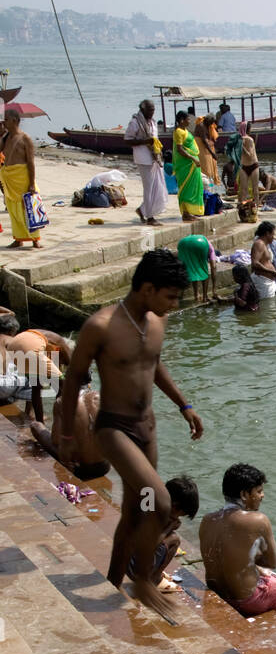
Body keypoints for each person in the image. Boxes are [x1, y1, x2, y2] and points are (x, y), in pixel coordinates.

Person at [56, 249, 201, 625]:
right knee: (161, 501)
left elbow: (154, 365)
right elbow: (73, 378)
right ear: (148, 288)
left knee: (136, 512)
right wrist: (67, 433)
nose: (173, 305)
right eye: (169, 296)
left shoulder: (156, 322)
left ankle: (112, 581)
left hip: (146, 429)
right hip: (114, 429)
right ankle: (142, 580)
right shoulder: (101, 326)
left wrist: (185, 406)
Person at [199, 463, 276, 621]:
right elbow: (272, 562)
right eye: (259, 491)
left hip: (219, 593)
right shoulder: (258, 520)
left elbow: (225, 557)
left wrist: (253, 562)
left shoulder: (207, 519)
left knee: (261, 573)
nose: (262, 495)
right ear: (244, 495)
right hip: (247, 601)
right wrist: (257, 560)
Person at [128, 475, 198, 594]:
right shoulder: (155, 515)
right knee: (174, 540)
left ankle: (154, 574)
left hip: (126, 561)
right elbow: (151, 543)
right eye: (179, 515)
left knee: (168, 536)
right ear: (174, 506)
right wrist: (170, 527)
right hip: (133, 569)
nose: (177, 519)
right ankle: (154, 579)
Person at [30, 383, 110, 482]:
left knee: (35, 426)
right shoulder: (102, 398)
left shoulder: (62, 402)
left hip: (79, 467)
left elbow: (56, 441)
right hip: (104, 467)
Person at [0, 107, 43, 248]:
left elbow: (31, 163)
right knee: (13, 209)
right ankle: (19, 239)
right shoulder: (6, 137)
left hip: (23, 176)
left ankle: (35, 239)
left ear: (15, 121)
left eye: (6, 119)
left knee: (28, 207)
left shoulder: (25, 138)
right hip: (10, 177)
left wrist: (31, 183)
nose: (3, 122)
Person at [123, 100, 166, 227]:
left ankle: (142, 210)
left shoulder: (152, 122)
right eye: (149, 110)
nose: (152, 112)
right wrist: (144, 141)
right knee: (148, 189)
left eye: (153, 110)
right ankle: (150, 217)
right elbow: (127, 140)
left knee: (158, 187)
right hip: (143, 159)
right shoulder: (135, 122)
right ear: (142, 109)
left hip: (155, 158)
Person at [171, 111, 205, 219]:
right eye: (188, 119)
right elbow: (179, 149)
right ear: (182, 120)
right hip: (186, 165)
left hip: (192, 164)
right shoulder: (178, 132)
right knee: (186, 188)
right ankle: (186, 213)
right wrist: (193, 158)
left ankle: (190, 211)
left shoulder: (185, 131)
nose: (189, 121)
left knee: (195, 187)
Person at [176, 234, 218, 304]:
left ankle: (196, 295)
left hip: (182, 243)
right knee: (204, 270)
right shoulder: (211, 250)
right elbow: (213, 267)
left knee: (193, 269)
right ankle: (205, 297)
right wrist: (214, 290)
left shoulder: (206, 243)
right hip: (199, 243)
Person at [249, 222, 276, 300]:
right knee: (266, 307)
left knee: (270, 307)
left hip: (267, 281)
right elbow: (255, 263)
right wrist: (272, 272)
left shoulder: (265, 244)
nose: (274, 237)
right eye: (272, 234)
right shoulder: (259, 244)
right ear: (267, 233)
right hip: (262, 281)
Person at [236, 123, 262, 212]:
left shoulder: (249, 139)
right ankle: (243, 210)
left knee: (255, 189)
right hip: (244, 166)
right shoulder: (239, 140)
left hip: (253, 165)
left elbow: (250, 155)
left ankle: (256, 209)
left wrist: (242, 147)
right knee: (243, 190)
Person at [194, 115, 219, 185]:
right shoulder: (201, 126)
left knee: (210, 167)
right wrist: (212, 153)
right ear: (207, 121)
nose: (211, 124)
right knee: (205, 168)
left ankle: (210, 186)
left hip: (205, 148)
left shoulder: (207, 125)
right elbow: (204, 141)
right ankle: (205, 187)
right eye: (211, 122)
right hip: (201, 148)